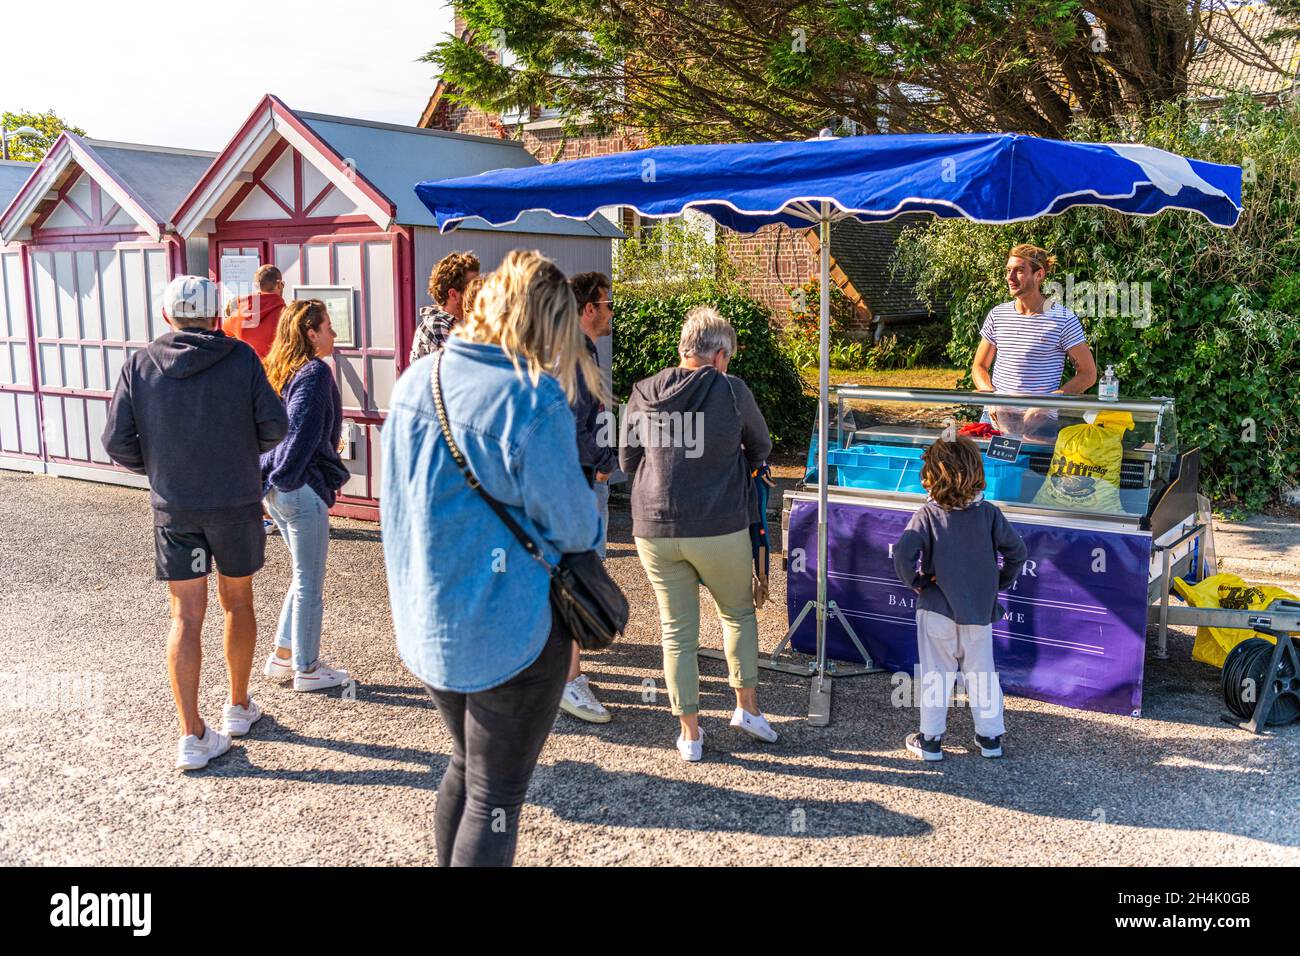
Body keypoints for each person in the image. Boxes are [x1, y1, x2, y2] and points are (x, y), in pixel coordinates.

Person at [382, 249, 602, 866]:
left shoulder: (416, 381)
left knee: (466, 767)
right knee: (496, 796)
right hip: (509, 633)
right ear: (545, 328)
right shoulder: (531, 399)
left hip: (429, 624)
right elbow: (576, 527)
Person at [102, 275, 288, 771]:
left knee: (185, 616)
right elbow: (276, 425)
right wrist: (239, 453)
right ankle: (239, 706)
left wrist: (161, 469)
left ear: (167, 315)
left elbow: (117, 441)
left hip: (176, 507)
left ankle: (192, 734)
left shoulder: (140, 364)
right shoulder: (241, 358)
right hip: (235, 503)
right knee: (238, 602)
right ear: (217, 316)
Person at [621, 306, 776, 762]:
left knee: (676, 632)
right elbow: (761, 446)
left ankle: (689, 734)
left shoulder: (644, 390)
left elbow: (627, 459)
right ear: (720, 355)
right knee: (737, 614)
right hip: (719, 524)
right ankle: (747, 710)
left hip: (654, 526)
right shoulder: (731, 390)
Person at [892, 435, 1027, 762]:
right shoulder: (989, 514)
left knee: (935, 676)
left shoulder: (927, 515)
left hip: (936, 607)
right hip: (979, 611)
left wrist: (917, 582)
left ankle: (931, 740)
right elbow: (1017, 553)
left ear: (932, 477)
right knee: (982, 674)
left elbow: (903, 555)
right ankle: (990, 738)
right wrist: (998, 583)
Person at [259, 300, 352, 692]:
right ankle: (308, 669)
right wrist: (287, 476)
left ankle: (283, 655)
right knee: (310, 583)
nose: (334, 333)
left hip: (278, 489)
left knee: (302, 575)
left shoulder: (281, 370)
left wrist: (271, 479)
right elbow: (301, 433)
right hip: (299, 488)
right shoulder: (315, 372)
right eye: (328, 327)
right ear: (311, 333)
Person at [558, 271, 617, 724]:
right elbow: (573, 422)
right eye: (607, 304)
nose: (612, 312)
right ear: (588, 308)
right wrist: (601, 459)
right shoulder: (576, 352)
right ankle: (568, 680)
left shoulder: (577, 348)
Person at [971, 243, 1098, 440]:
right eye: (1008, 270)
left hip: (1039, 423)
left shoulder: (1064, 319)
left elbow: (1088, 374)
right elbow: (979, 367)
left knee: (1033, 463)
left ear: (1039, 275)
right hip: (995, 419)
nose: (1010, 277)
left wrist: (1047, 403)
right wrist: (991, 398)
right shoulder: (998, 314)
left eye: (1019, 271)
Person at [409, 251, 480, 362]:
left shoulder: (453, 324)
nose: (479, 292)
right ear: (453, 294)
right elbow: (464, 366)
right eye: (472, 288)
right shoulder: (437, 327)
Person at [221, 265, 288, 359]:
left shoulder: (239, 315)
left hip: (248, 367)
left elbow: (223, 334)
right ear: (279, 284)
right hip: (277, 367)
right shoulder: (288, 316)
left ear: (257, 286)